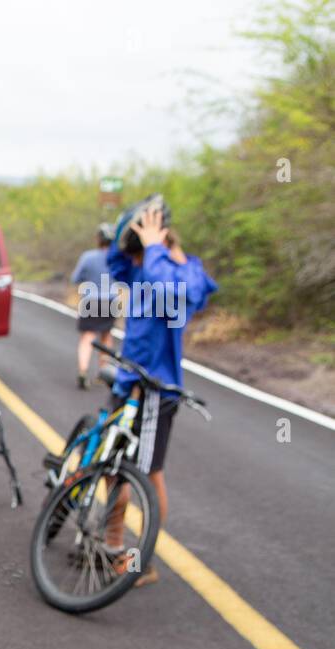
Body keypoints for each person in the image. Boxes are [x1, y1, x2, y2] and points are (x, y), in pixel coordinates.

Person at [104, 194, 218, 587]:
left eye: (144, 250)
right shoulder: (142, 266)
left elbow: (171, 286)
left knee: (146, 475)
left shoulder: (184, 273)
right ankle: (113, 547)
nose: (136, 260)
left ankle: (142, 560)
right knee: (111, 466)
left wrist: (158, 245)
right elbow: (116, 265)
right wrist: (130, 236)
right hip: (127, 382)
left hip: (155, 391)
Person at [70, 222, 120, 389]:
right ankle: (104, 372)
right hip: (110, 300)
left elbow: (76, 278)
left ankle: (83, 371)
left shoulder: (88, 257)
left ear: (98, 239)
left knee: (87, 337)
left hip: (90, 300)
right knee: (106, 337)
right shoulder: (116, 259)